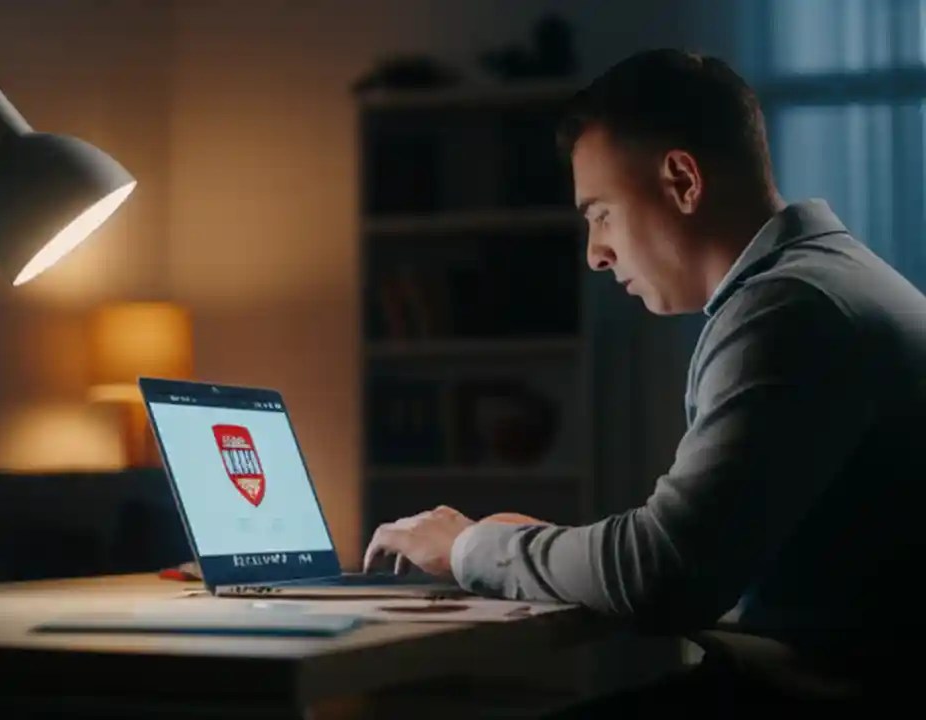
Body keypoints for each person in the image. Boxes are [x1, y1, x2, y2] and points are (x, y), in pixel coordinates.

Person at [362, 48, 926, 711]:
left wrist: (469, 547)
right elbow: (686, 549)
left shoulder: (788, 310)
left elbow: (666, 574)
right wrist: (532, 548)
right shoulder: (831, 281)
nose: (595, 254)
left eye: (600, 212)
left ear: (683, 180)